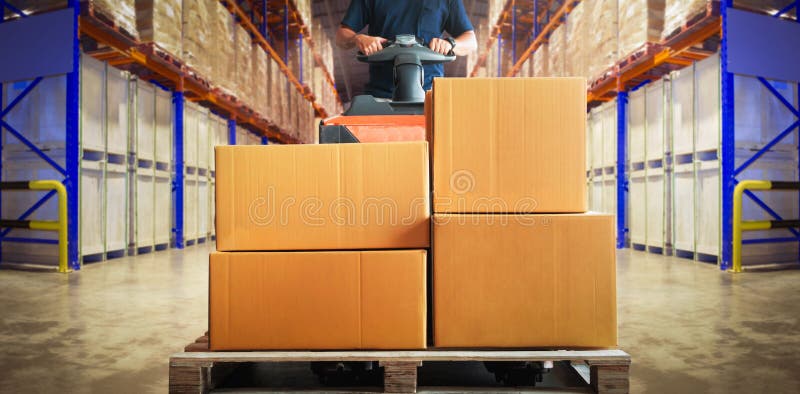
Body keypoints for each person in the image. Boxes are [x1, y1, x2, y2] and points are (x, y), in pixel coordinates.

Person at [336, 0, 478, 99]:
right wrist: (358, 38)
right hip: (381, 95)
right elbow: (341, 36)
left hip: (430, 94)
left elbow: (471, 41)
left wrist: (451, 44)